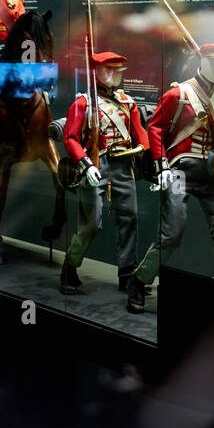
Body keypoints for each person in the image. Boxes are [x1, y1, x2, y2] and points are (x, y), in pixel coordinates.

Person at [126, 44, 214, 313]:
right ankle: (139, 281)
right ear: (202, 61)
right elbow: (154, 127)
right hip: (178, 171)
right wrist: (161, 164)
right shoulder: (179, 93)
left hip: (210, 173)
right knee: (173, 230)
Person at [59, 51, 149, 295]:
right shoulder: (83, 103)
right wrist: (86, 163)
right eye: (108, 70)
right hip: (96, 165)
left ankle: (127, 273)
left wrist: (143, 149)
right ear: (96, 72)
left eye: (117, 71)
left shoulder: (128, 102)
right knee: (91, 224)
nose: (113, 75)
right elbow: (70, 138)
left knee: (129, 218)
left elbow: (141, 134)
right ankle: (70, 266)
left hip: (123, 164)